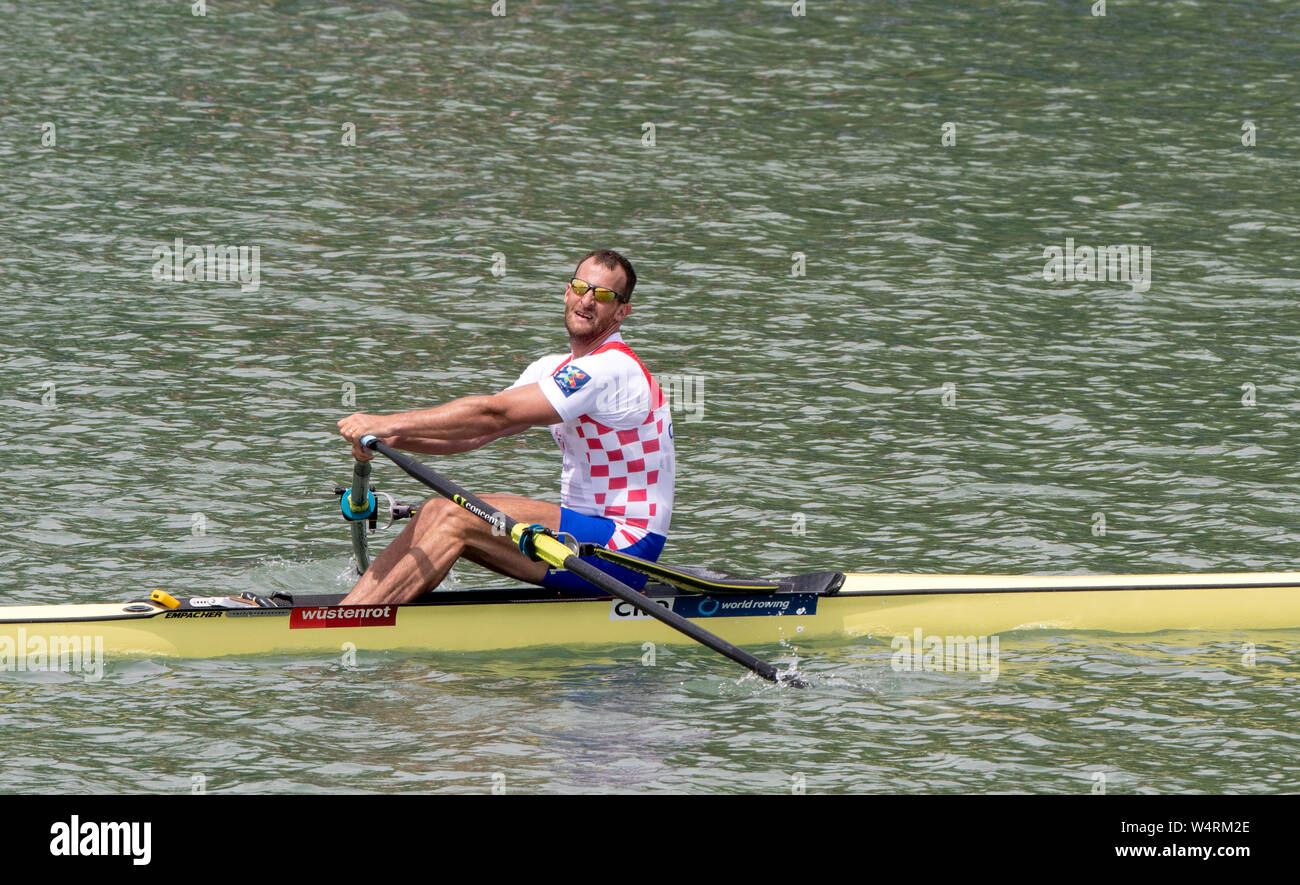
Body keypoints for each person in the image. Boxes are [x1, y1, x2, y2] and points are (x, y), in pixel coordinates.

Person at [337, 249, 674, 605]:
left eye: (604, 295)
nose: (587, 300)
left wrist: (380, 421)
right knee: (439, 511)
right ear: (566, 292)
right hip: (584, 535)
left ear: (623, 312)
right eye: (580, 287)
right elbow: (478, 433)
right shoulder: (552, 368)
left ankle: (349, 623)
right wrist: (391, 438)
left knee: (450, 515)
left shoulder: (612, 369)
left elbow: (492, 413)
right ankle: (356, 610)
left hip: (624, 548)